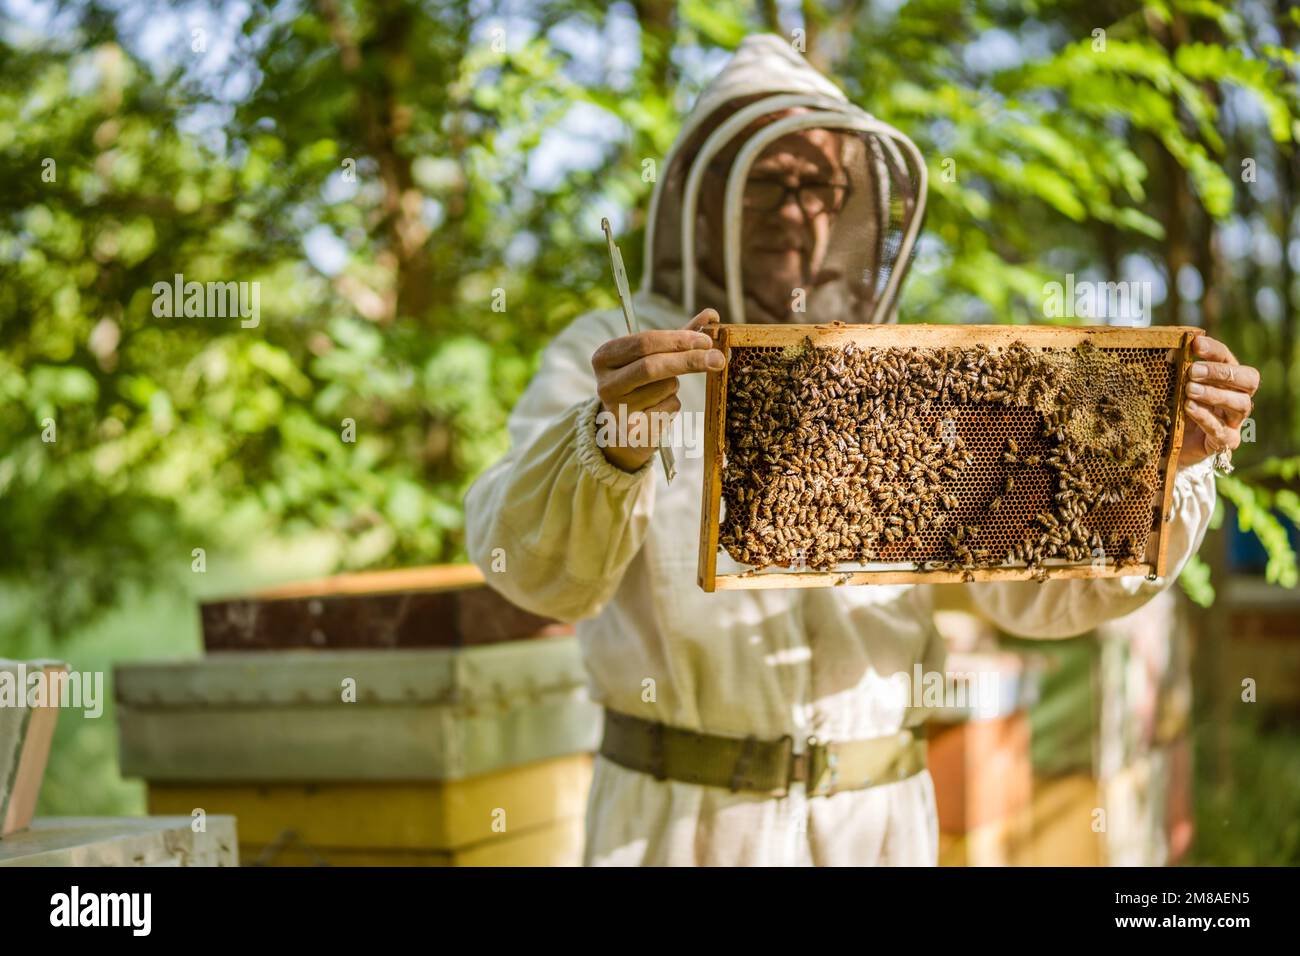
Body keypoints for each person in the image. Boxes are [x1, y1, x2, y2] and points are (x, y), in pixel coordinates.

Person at [464, 35, 1259, 866]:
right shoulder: (615, 347)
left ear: (855, 210)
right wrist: (612, 439)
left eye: (822, 187)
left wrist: (1156, 468)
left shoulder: (910, 372)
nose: (795, 207)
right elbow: (528, 565)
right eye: (767, 181)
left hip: (877, 828)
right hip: (675, 828)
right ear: (704, 199)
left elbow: (1035, 597)